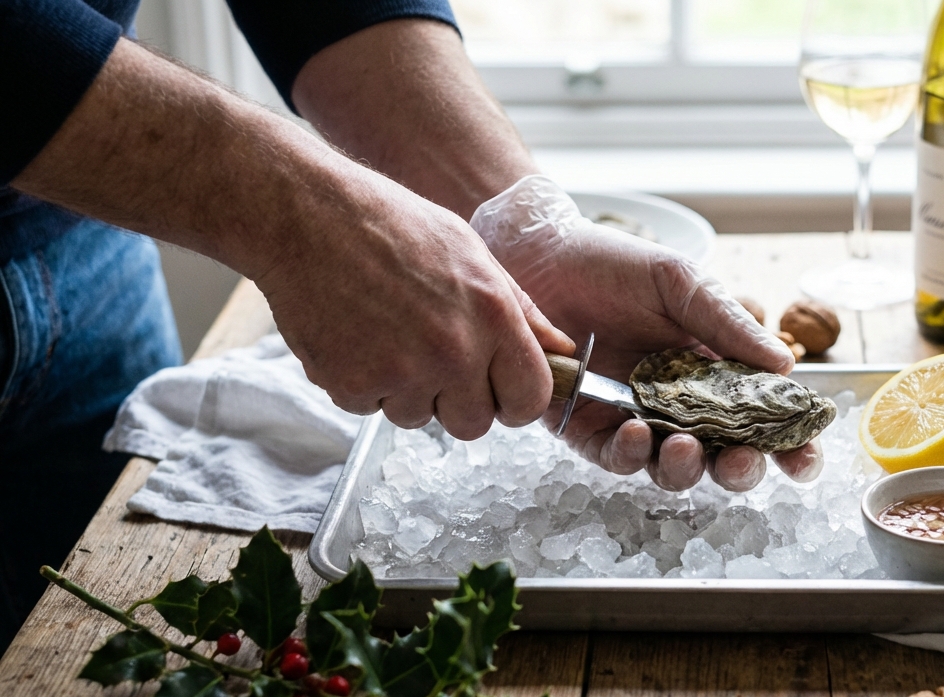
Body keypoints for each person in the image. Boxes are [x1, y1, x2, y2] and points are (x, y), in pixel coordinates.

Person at [0, 1, 823, 645]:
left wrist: (525, 231)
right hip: (95, 184)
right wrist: (299, 217)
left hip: (81, 247)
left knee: (83, 631)